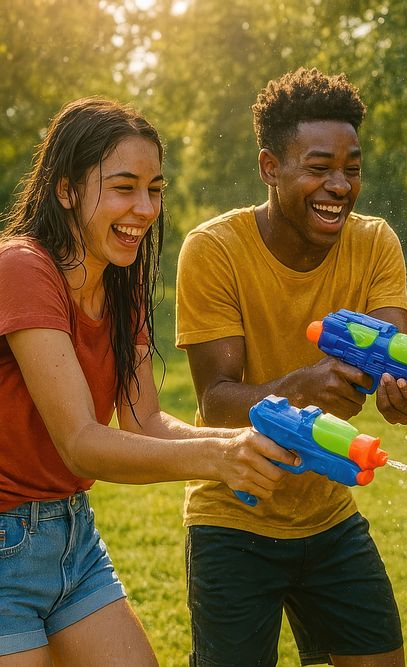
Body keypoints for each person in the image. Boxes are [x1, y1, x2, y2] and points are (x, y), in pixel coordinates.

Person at [0, 98, 293, 665]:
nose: (145, 208)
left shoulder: (120, 282)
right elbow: (81, 442)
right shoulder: (22, 269)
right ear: (65, 190)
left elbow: (146, 421)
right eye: (123, 187)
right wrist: (218, 459)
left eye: (154, 189)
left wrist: (245, 440)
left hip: (71, 539)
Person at [175, 68, 407, 667]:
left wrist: (404, 391)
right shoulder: (214, 250)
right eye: (318, 168)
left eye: (352, 168)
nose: (339, 186)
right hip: (232, 518)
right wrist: (299, 388)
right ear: (270, 167)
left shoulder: (374, 243)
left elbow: (397, 358)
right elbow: (216, 401)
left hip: (329, 515)